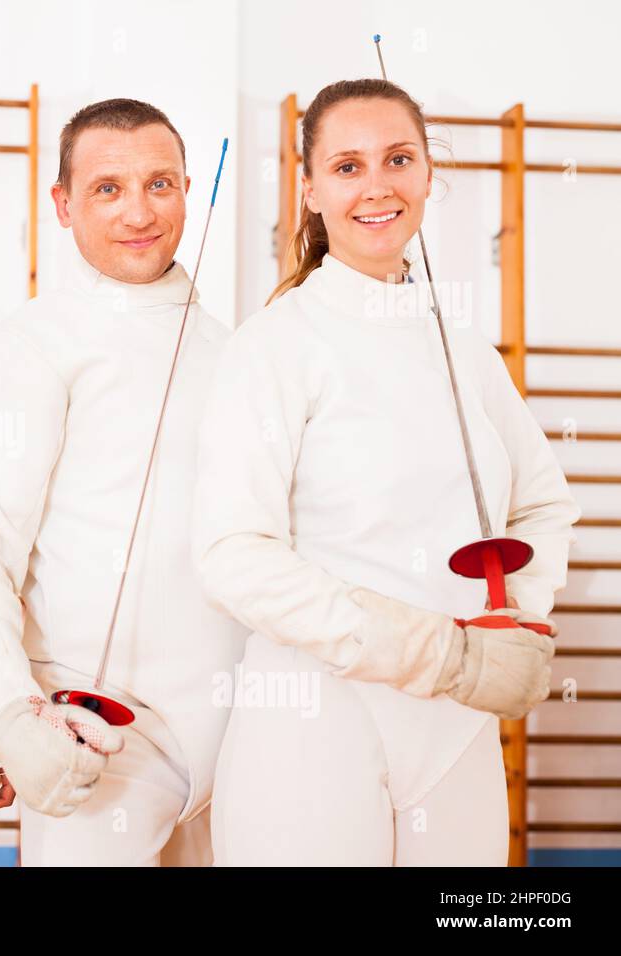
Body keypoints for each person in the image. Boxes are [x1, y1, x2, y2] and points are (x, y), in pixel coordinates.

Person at [192, 78, 579, 866]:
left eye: (398, 159)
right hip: (314, 717)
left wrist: (511, 630)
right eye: (347, 165)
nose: (376, 185)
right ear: (309, 189)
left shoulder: (463, 348)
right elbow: (233, 554)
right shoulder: (274, 345)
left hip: (457, 725)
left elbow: (543, 503)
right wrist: (434, 652)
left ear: (428, 175)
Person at [0, 99, 248, 866]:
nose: (139, 211)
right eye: (108, 188)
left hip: (235, 734)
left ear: (189, 190)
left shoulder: (236, 352)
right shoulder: (27, 347)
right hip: (97, 735)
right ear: (64, 204)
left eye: (160, 184)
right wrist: (6, 713)